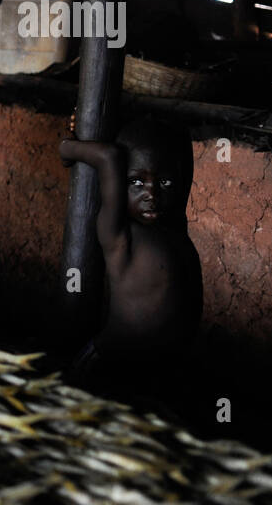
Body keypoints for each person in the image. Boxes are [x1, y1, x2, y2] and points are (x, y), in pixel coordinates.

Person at [59, 116, 202, 397]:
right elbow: (109, 157)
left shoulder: (174, 223)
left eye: (164, 182)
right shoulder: (118, 233)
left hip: (158, 368)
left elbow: (182, 157)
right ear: (119, 184)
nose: (152, 194)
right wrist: (67, 149)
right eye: (136, 182)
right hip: (111, 364)